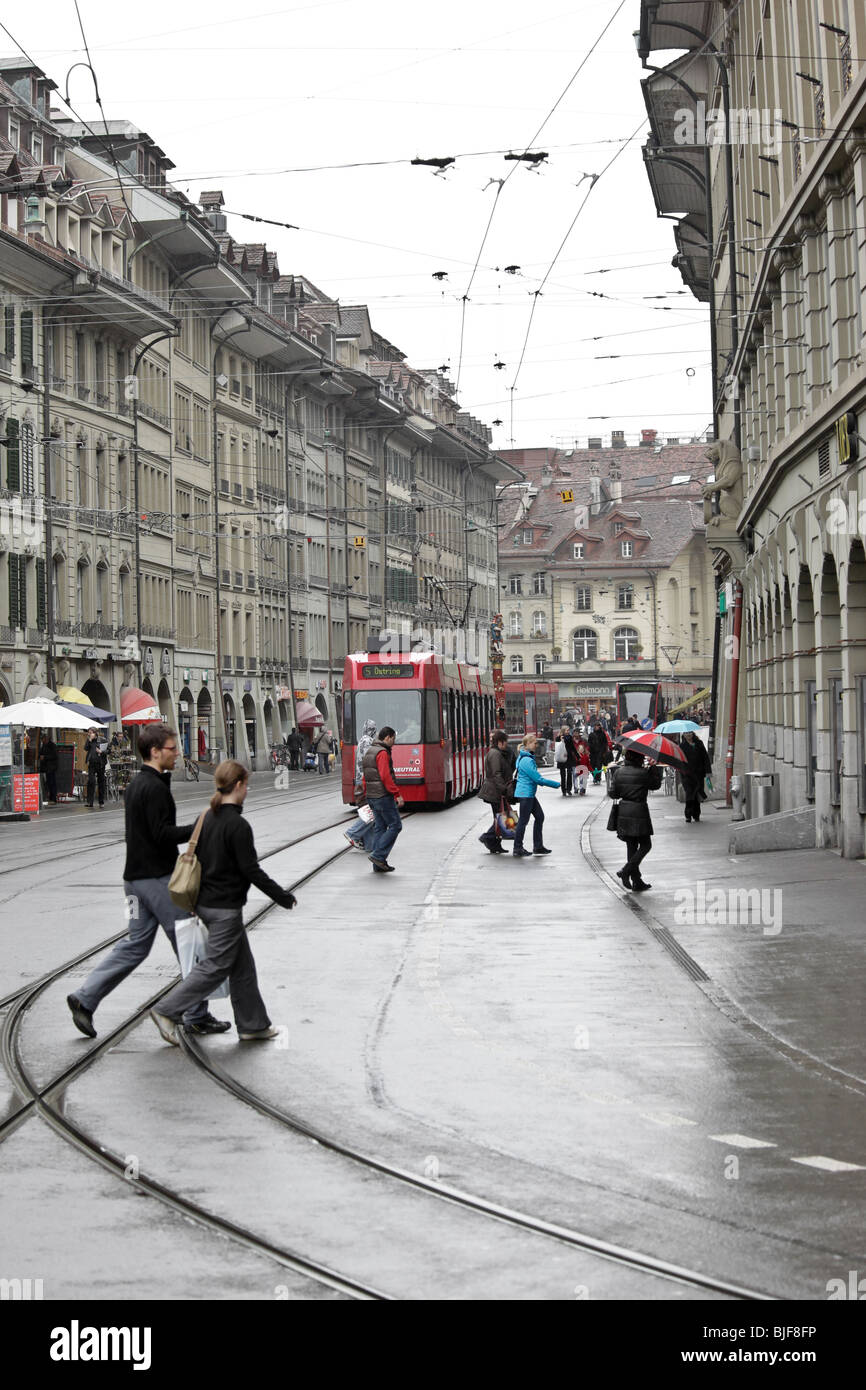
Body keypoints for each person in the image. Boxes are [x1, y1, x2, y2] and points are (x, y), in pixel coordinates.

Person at [66, 724, 227, 1039]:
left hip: (133, 882)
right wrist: (196, 829)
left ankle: (85, 998)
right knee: (189, 942)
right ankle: (195, 1013)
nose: (177, 752)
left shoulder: (138, 784)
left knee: (135, 944)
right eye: (171, 748)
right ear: (155, 751)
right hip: (157, 881)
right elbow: (160, 834)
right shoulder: (153, 788)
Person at [150, 760, 297, 1045]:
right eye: (247, 785)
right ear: (239, 785)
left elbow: (201, 863)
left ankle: (253, 1024)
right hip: (225, 909)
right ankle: (166, 1010)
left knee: (242, 966)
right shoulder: (238, 825)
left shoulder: (207, 817)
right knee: (215, 966)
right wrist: (282, 896)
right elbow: (250, 870)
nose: (248, 790)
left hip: (206, 904)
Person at [609, 748, 663, 891]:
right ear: (639, 758)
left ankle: (636, 880)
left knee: (631, 846)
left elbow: (613, 794)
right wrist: (653, 768)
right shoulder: (643, 773)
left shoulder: (618, 772)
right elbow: (655, 785)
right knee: (646, 845)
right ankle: (626, 871)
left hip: (624, 810)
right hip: (639, 810)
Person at [363, 725, 404, 872]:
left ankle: (378, 864)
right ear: (387, 737)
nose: (394, 742)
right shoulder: (382, 753)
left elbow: (365, 777)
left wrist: (366, 794)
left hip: (372, 796)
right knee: (396, 826)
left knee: (380, 827)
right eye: (393, 739)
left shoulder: (370, 751)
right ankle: (379, 856)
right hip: (382, 796)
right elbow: (385, 776)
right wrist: (396, 794)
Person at [512, 733, 559, 858]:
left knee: (539, 817)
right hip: (526, 794)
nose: (536, 745)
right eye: (534, 742)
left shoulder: (526, 757)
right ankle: (518, 847)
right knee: (523, 821)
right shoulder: (527, 760)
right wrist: (556, 784)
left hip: (529, 794)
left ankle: (538, 846)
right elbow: (537, 779)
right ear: (527, 744)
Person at [344, 718, 378, 850]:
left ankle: (370, 845)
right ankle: (352, 833)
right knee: (373, 812)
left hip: (361, 779)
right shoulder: (368, 742)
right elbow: (370, 762)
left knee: (367, 811)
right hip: (366, 780)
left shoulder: (362, 740)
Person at [478, 729, 514, 854]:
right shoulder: (495, 754)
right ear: (500, 742)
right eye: (505, 742)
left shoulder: (499, 753)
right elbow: (496, 773)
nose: (506, 745)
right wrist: (503, 789)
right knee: (500, 818)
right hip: (495, 791)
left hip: (495, 790)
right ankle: (488, 837)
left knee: (499, 817)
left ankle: (494, 844)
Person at [678, 730, 712, 823]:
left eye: (689, 732)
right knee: (689, 794)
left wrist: (708, 772)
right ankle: (688, 815)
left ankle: (696, 814)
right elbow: (680, 761)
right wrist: (683, 771)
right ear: (683, 735)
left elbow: (705, 758)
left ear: (693, 734)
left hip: (699, 774)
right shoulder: (681, 746)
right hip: (687, 775)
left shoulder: (699, 743)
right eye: (686, 733)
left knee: (697, 794)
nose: (688, 734)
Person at [555, 725, 577, 797]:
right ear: (563, 731)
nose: (568, 731)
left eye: (568, 730)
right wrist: (561, 740)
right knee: (563, 775)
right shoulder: (558, 738)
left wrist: (577, 755)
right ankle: (563, 790)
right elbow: (557, 747)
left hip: (569, 757)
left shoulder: (570, 737)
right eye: (567, 730)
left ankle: (569, 789)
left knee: (569, 774)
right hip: (562, 758)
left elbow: (572, 747)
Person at [39, 733, 59, 803]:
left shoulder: (52, 745)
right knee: (49, 782)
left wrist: (45, 757)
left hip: (51, 767)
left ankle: (53, 798)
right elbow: (41, 753)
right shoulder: (44, 745)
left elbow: (55, 756)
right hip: (46, 767)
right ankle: (50, 797)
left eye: (43, 739)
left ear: (46, 739)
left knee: (52, 782)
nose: (42, 740)